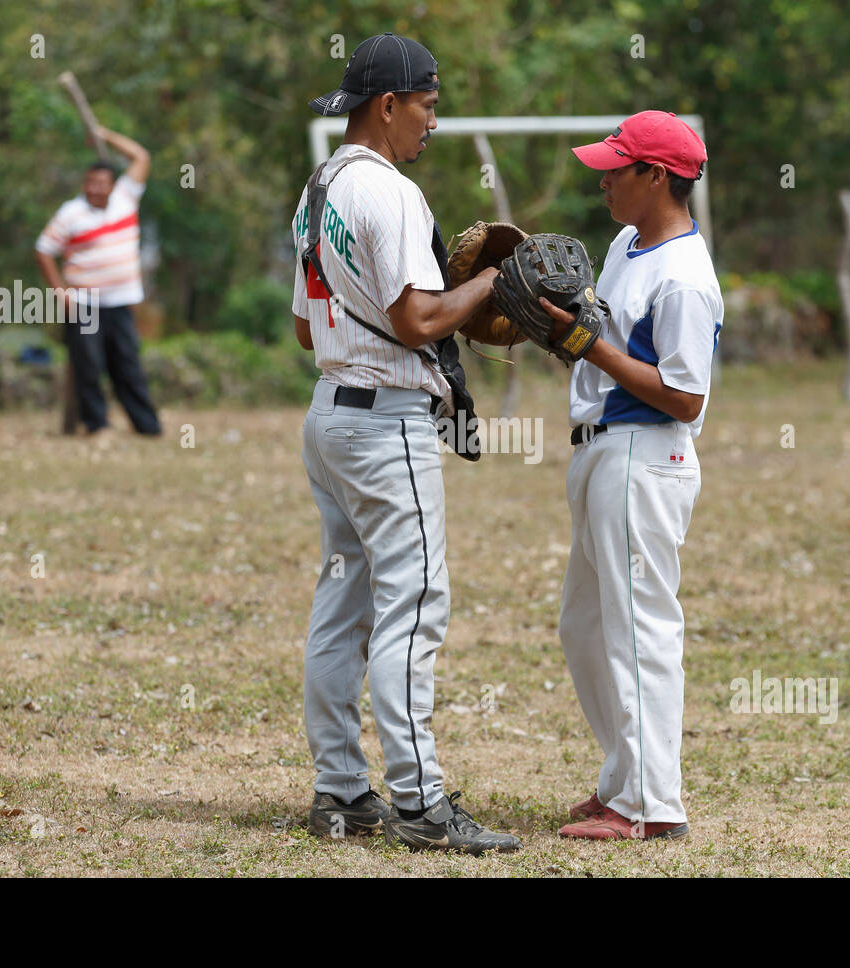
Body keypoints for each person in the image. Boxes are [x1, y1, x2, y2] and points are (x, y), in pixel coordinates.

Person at [290, 33, 520, 855]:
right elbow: (417, 320)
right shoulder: (389, 192)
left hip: (330, 416)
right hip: (386, 423)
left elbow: (301, 323)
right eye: (426, 104)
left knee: (342, 604)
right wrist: (492, 284)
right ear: (387, 105)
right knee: (413, 606)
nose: (433, 121)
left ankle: (342, 792)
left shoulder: (316, 189)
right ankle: (421, 804)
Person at [535, 110, 722, 841]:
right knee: (584, 627)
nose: (604, 178)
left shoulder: (682, 278)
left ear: (656, 176)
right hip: (601, 450)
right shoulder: (626, 242)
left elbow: (684, 394)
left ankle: (650, 806)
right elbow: (598, 333)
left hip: (646, 452)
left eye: (618, 167)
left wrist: (589, 346)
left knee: (641, 630)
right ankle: (623, 777)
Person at [34, 126, 161, 436]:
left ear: (112, 185)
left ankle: (147, 427)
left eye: (100, 183)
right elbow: (43, 250)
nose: (93, 188)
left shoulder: (126, 198)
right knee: (88, 364)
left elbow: (140, 155)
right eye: (89, 182)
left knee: (127, 365)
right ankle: (96, 425)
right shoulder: (70, 213)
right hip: (84, 303)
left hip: (120, 301)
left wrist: (104, 135)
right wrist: (60, 291)